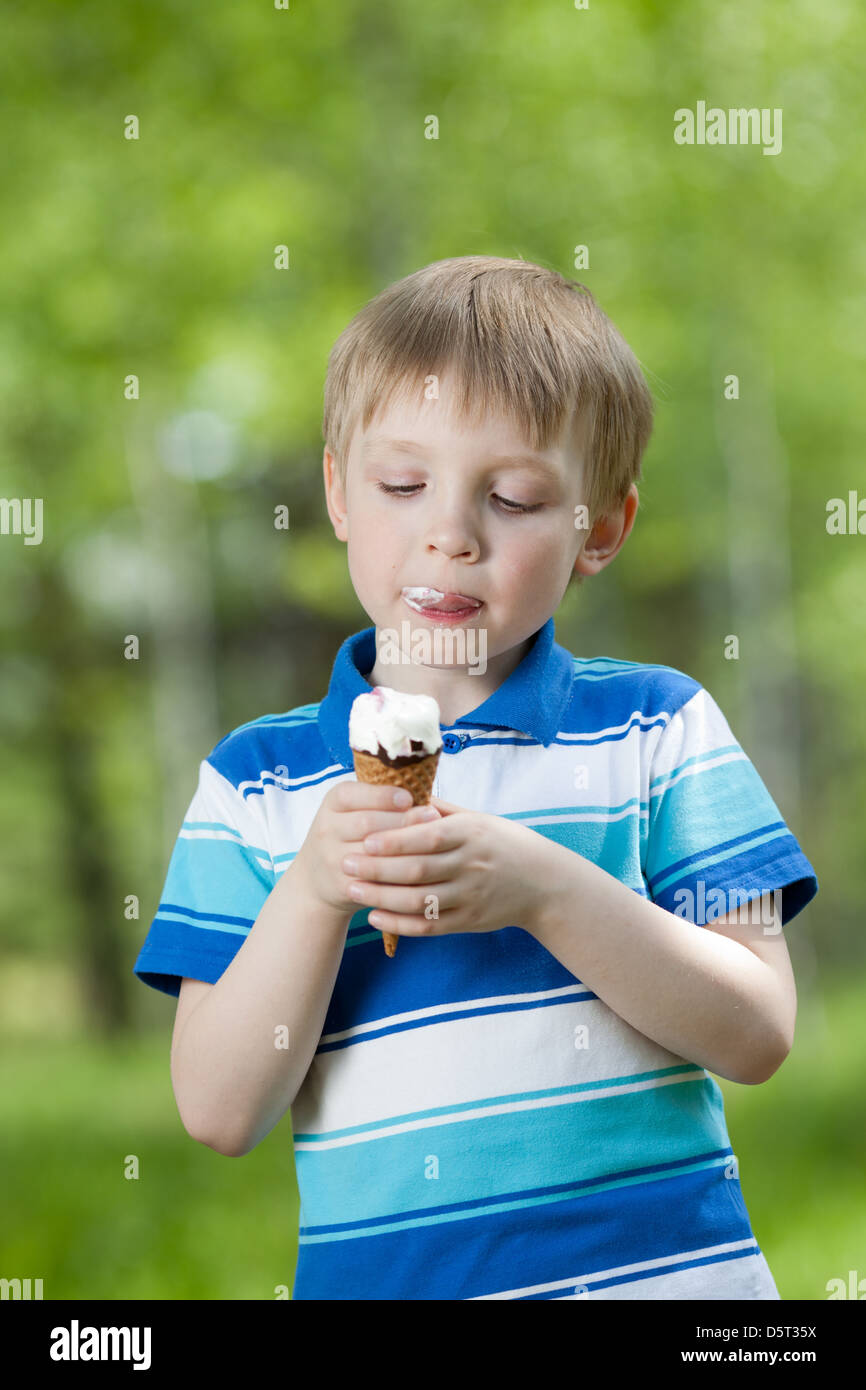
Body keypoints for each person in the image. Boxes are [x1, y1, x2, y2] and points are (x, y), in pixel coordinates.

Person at [133, 255, 818, 1300]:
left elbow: (756, 1030)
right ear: (337, 493)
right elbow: (219, 1111)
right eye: (402, 484)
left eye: (511, 496)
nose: (448, 532)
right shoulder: (254, 784)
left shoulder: (656, 729)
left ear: (601, 528)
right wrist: (315, 890)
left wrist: (547, 890)